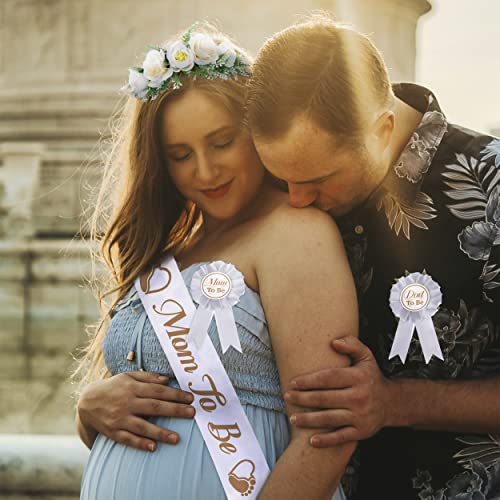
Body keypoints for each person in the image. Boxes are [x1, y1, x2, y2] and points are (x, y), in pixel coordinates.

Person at [74, 23, 357, 500]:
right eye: (180, 155)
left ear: (256, 131)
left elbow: (327, 434)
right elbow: (135, 420)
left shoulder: (295, 232)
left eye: (222, 142)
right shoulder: (169, 248)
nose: (205, 171)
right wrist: (88, 409)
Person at [244, 14, 500, 500]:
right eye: (282, 179)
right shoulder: (290, 187)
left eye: (319, 180)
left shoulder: (494, 187)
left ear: (382, 128)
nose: (295, 201)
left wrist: (394, 401)